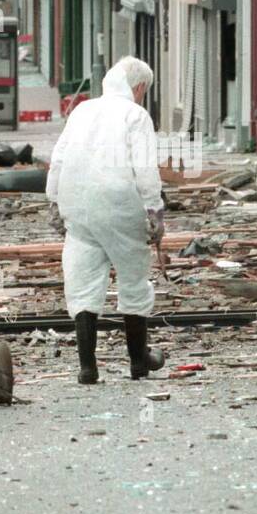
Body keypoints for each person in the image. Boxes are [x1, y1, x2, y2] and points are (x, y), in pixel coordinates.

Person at [45, 57, 166, 384]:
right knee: (133, 279)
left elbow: (57, 158)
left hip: (78, 204)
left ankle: (87, 367)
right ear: (138, 87)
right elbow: (144, 169)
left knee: (82, 280)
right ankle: (138, 363)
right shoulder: (135, 115)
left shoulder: (82, 110)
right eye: (144, 91)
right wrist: (155, 211)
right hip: (118, 205)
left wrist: (53, 200)